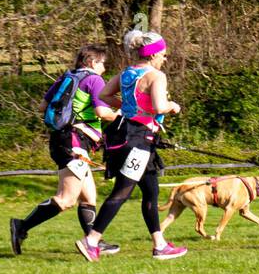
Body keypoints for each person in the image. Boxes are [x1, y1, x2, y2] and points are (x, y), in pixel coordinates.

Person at [82, 28, 188, 261]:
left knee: (151, 191)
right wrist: (173, 106)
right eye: (163, 54)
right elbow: (159, 107)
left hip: (127, 136)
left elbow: (105, 96)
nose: (165, 58)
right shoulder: (156, 76)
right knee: (121, 191)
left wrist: (129, 107)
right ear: (152, 54)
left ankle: (159, 245)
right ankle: (91, 241)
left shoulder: (127, 73)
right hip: (139, 141)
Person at [10, 44, 119, 256]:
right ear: (93, 62)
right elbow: (102, 112)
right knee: (66, 198)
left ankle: (93, 241)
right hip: (75, 142)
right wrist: (125, 115)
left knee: (88, 198)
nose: (105, 68)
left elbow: (43, 107)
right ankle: (21, 226)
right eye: (103, 63)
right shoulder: (94, 80)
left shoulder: (66, 77)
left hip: (62, 139)